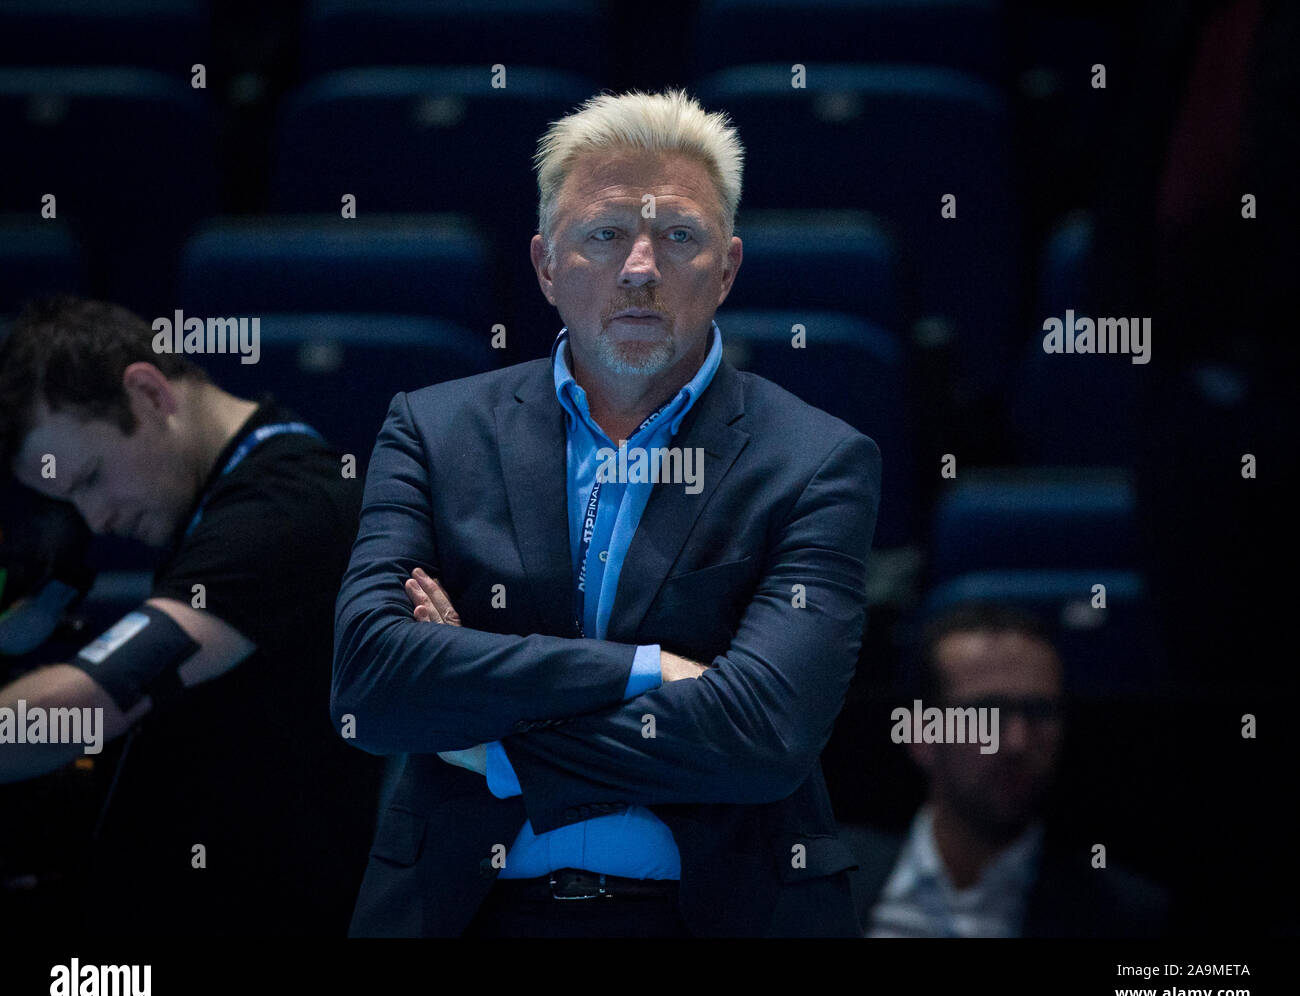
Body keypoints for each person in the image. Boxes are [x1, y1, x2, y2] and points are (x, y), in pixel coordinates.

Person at [332, 88, 883, 937]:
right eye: (605, 233)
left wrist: (485, 734)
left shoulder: (817, 460)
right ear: (547, 265)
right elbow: (372, 687)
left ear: (727, 267)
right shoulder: (434, 429)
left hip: (713, 917)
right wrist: (649, 672)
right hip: (462, 914)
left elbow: (762, 735)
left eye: (678, 236)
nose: (639, 268)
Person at [0, 296, 383, 935]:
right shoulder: (212, 495)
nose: (97, 522)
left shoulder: (287, 510)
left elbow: (93, 701)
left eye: (91, 478)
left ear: (148, 393)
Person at [841, 603, 1170, 937]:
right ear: (923, 736)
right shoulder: (820, 881)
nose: (1017, 742)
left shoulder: (1122, 915)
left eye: (1039, 712)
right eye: (987, 711)